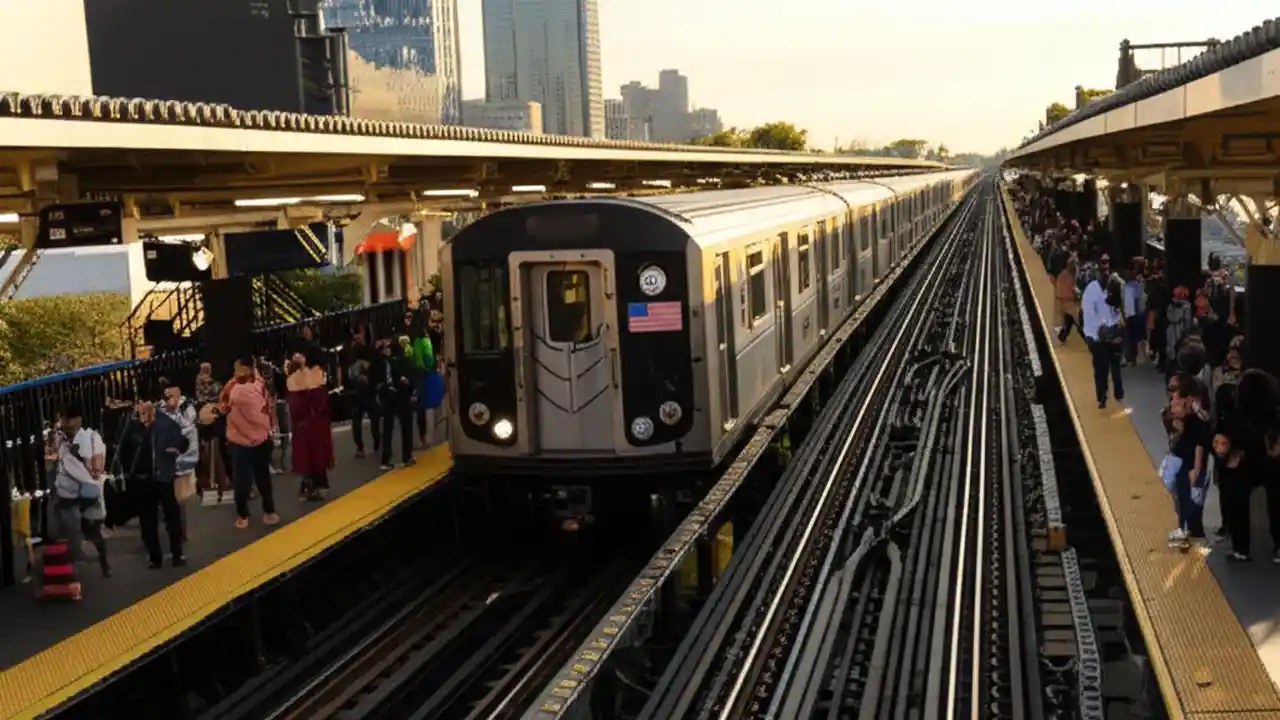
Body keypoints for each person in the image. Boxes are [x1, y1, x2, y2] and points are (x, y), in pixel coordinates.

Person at [119, 401, 188, 568]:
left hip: (160, 477)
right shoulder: (134, 428)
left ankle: (175, 554)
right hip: (146, 479)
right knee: (151, 519)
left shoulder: (164, 425)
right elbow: (123, 452)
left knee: (168, 516)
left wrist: (178, 449)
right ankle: (157, 556)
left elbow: (182, 442)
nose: (143, 416)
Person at [51, 403, 110, 578]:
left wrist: (87, 471)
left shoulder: (91, 437)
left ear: (77, 420)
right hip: (68, 495)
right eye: (63, 419)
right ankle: (70, 570)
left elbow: (98, 467)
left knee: (93, 530)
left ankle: (104, 562)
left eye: (68, 418)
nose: (65, 422)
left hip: (88, 494)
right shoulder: (61, 439)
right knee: (71, 532)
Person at [220, 356, 280, 529]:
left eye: (237, 368)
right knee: (257, 479)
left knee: (247, 481)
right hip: (254, 440)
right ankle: (266, 512)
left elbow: (223, 408)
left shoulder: (234, 388)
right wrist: (269, 428)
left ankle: (245, 515)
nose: (235, 372)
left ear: (246, 369)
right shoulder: (259, 385)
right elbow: (268, 409)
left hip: (244, 441)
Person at [287, 347, 334, 501]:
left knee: (309, 453)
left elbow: (297, 403)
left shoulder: (300, 376)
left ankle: (312, 484)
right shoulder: (315, 374)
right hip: (314, 423)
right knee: (315, 453)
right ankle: (318, 483)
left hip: (306, 424)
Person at [1082, 267, 1124, 408]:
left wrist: (1116, 331)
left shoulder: (1115, 291)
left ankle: (1118, 393)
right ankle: (1102, 397)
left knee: (1115, 365)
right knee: (1101, 369)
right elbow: (1089, 315)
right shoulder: (1092, 291)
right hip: (1098, 338)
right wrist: (1098, 333)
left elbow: (1118, 312)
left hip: (1112, 333)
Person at [373, 337, 415, 470]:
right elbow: (406, 378)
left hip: (387, 395)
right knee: (405, 425)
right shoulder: (400, 359)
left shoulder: (381, 361)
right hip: (399, 395)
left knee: (388, 427)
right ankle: (406, 457)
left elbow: (375, 379)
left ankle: (386, 460)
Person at [343, 326, 380, 459]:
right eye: (355, 333)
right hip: (357, 390)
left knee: (372, 417)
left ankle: (376, 442)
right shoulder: (352, 350)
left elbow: (373, 365)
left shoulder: (368, 349)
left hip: (368, 389)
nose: (357, 336)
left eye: (359, 333)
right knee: (358, 419)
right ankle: (361, 446)